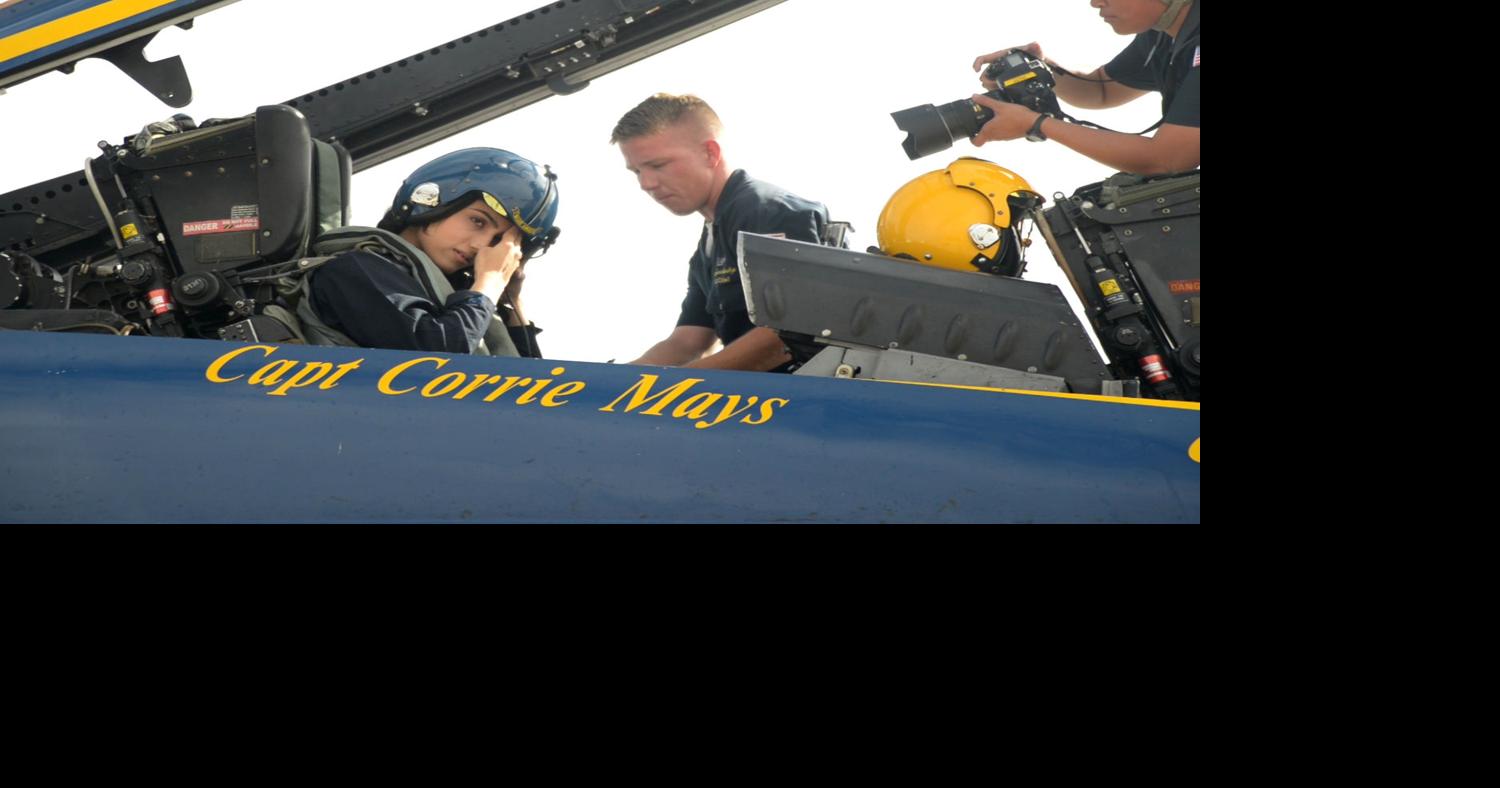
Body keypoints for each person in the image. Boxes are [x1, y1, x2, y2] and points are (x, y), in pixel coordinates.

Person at [611, 93, 837, 372]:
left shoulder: (765, 213)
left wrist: (673, 385)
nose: (646, 183)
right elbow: (687, 342)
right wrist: (606, 383)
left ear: (710, 153)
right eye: (636, 171)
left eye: (658, 165)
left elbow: (788, 333)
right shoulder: (711, 239)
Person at [299, 147, 560, 356]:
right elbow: (437, 360)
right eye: (478, 221)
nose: (481, 246)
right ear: (433, 201)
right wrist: (489, 282)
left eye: (497, 241)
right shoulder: (354, 270)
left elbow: (530, 389)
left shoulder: (462, 297)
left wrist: (510, 301)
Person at [969, 0, 1199, 175]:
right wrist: (1039, 67)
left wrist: (1036, 124)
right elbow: (1100, 91)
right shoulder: (1164, 36)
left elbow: (1167, 159)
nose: (1095, 2)